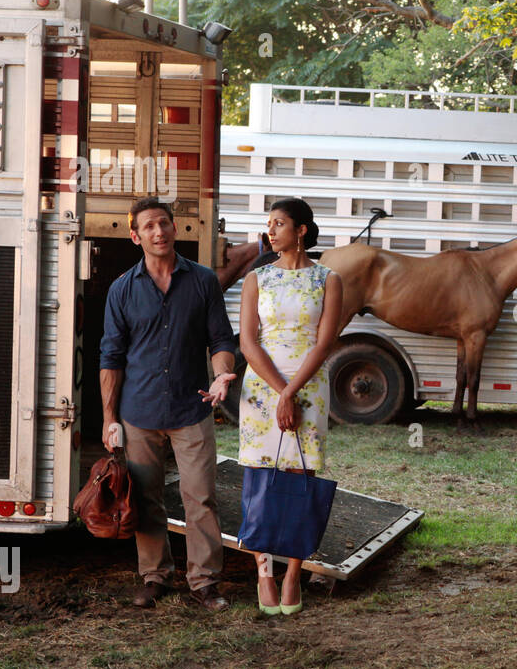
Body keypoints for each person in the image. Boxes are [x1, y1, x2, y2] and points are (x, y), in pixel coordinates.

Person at [100, 197, 237, 611]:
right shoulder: (121, 289)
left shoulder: (203, 281)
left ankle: (205, 582)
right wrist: (109, 418)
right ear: (135, 236)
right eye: (149, 226)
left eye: (164, 223)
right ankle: (154, 576)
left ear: (175, 229)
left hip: (191, 407)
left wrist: (222, 373)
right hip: (138, 412)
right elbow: (110, 357)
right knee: (145, 498)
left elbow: (221, 340)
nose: (158, 232)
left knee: (201, 497)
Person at [238, 198, 343, 615]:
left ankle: (293, 573)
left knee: (301, 475)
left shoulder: (327, 279)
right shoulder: (257, 278)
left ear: (301, 230)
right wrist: (280, 391)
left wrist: (292, 392)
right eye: (269, 224)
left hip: (309, 384)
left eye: (279, 223)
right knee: (260, 476)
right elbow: (248, 340)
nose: (271, 231)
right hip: (263, 385)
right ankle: (264, 571)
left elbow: (326, 341)